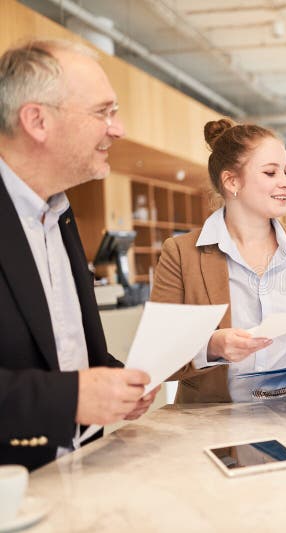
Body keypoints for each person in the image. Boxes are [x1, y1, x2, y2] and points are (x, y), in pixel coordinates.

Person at [0, 39, 158, 470]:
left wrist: (116, 381)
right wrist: (71, 399)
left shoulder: (60, 214)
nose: (118, 128)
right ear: (37, 120)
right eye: (103, 112)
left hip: (76, 478)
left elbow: (60, 348)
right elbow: (65, 387)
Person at [149, 119, 286, 403]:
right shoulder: (181, 253)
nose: (285, 182)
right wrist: (212, 345)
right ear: (232, 181)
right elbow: (159, 351)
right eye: (270, 173)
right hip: (218, 427)